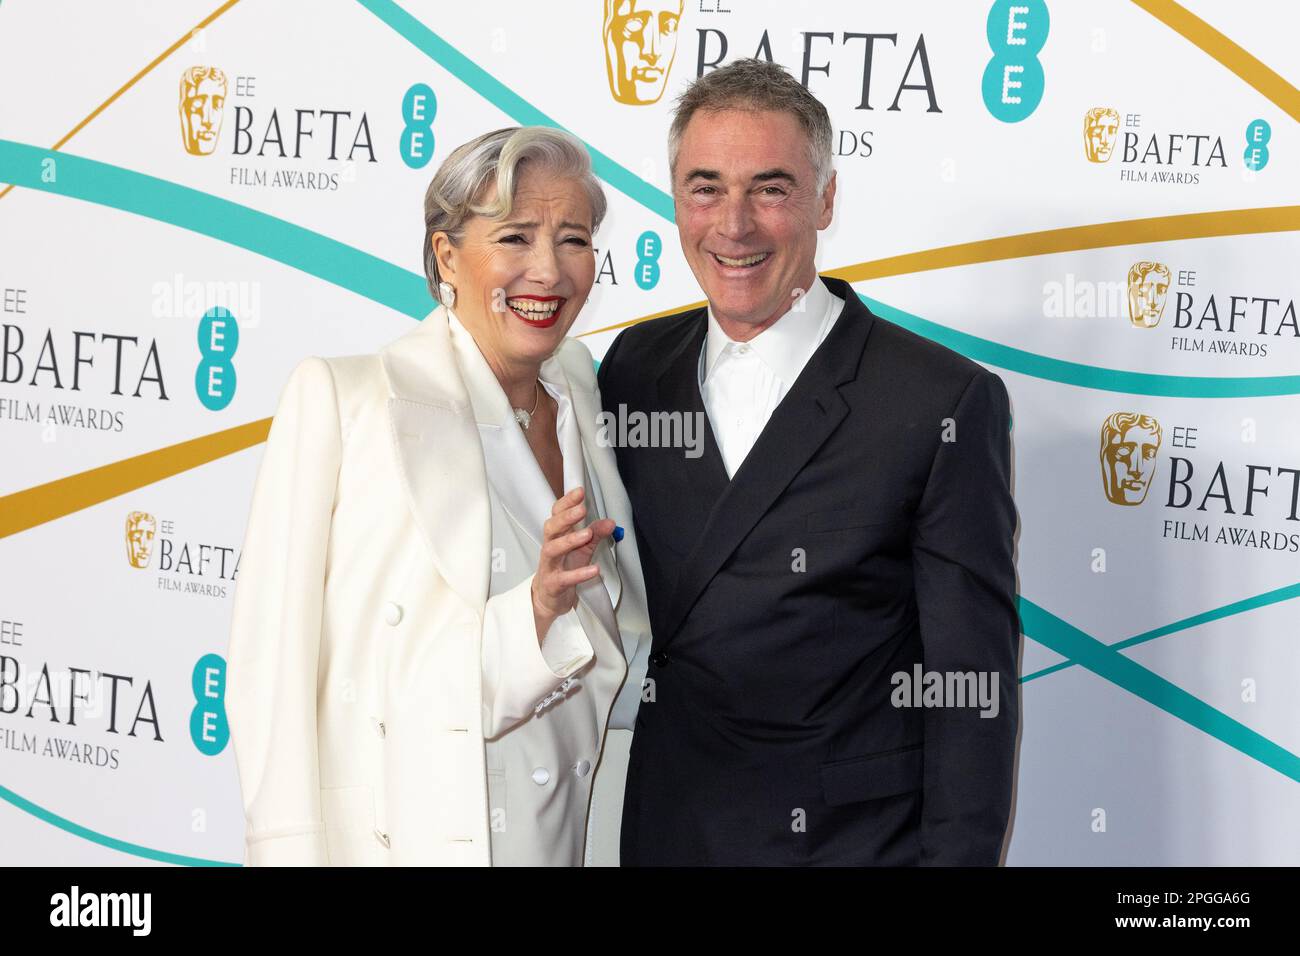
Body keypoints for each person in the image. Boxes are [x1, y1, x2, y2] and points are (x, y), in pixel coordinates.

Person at [598, 59, 1020, 865]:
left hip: (850, 845)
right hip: (668, 830)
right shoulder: (633, 366)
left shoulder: (938, 401)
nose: (734, 225)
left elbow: (972, 692)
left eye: (771, 188)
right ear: (675, 198)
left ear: (825, 198)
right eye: (706, 187)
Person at [225, 126, 651, 866]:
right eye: (515, 238)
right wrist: (539, 609)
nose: (547, 272)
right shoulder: (347, 400)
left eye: (574, 239)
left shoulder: (581, 384)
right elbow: (272, 675)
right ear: (447, 255)